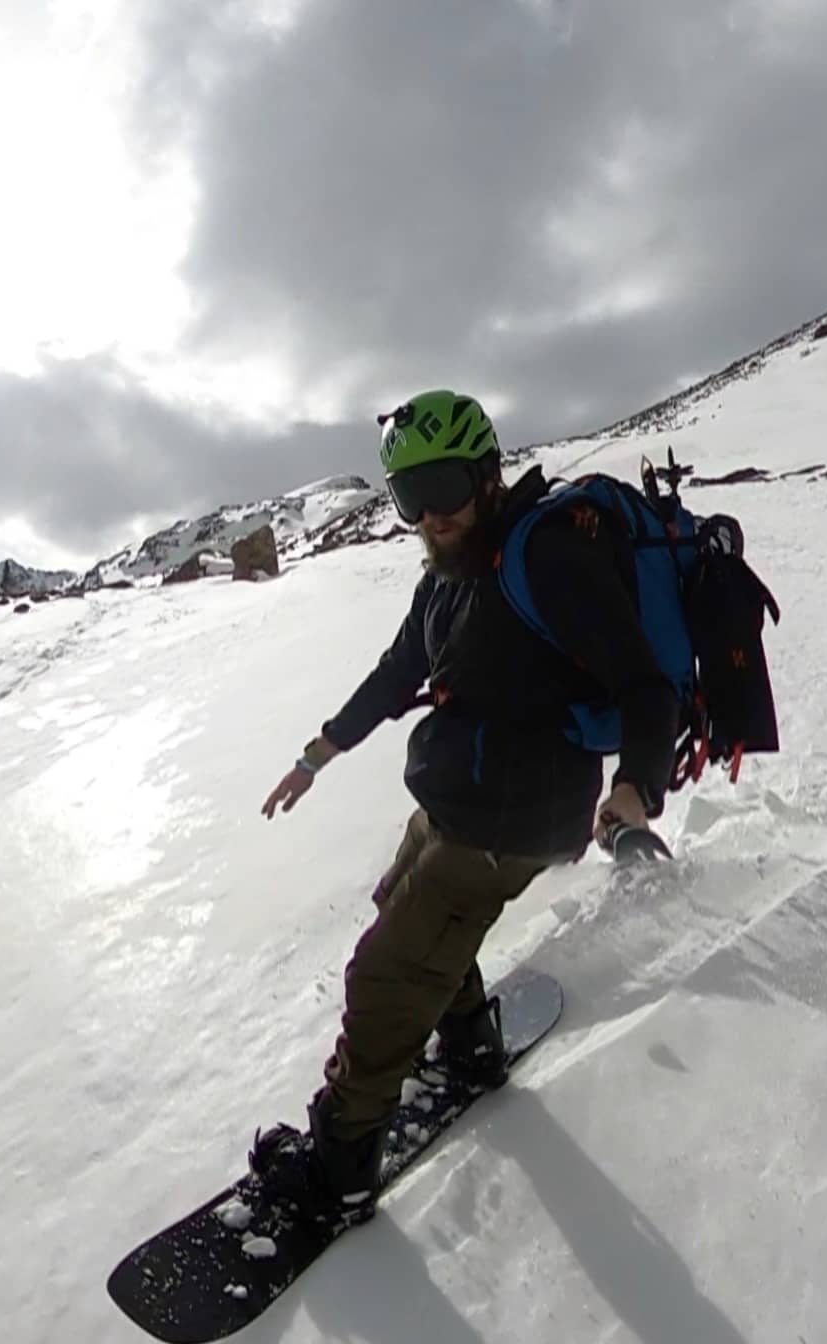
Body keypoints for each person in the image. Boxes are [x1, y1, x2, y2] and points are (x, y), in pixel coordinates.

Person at [248, 389, 674, 1223]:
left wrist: (636, 787)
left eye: (444, 489)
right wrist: (318, 753)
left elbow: (646, 684)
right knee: (399, 911)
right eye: (410, 498)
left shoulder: (545, 558)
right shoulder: (444, 582)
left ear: (486, 475)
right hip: (456, 800)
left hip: (520, 815)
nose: (432, 517)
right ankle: (471, 1045)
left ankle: (341, 1165)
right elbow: (396, 671)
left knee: (388, 970)